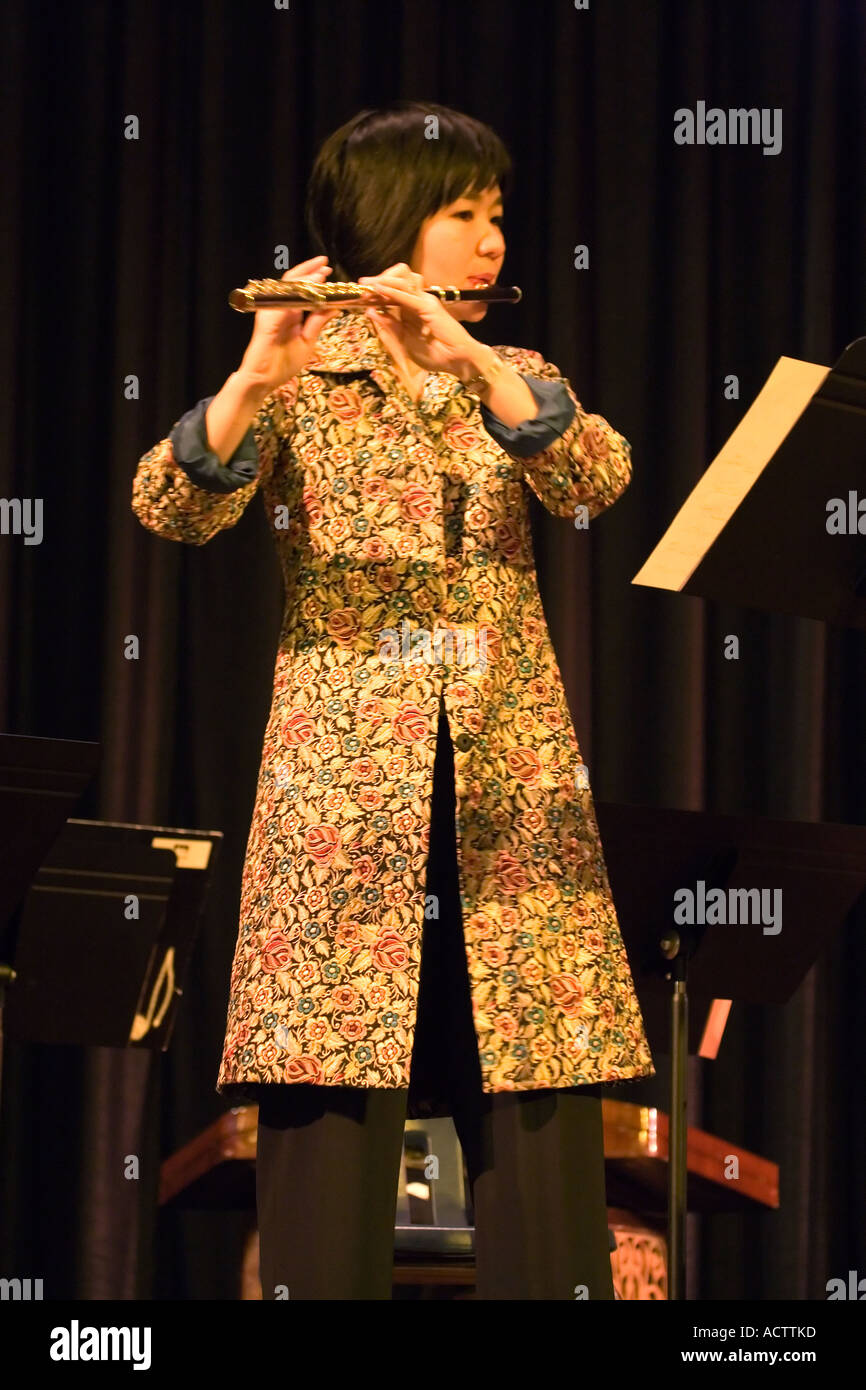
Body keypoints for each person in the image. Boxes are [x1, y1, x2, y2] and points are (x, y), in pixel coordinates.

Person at [132, 100, 654, 1300]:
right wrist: (255, 380)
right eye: (463, 216)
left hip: (504, 796)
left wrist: (472, 365)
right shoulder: (305, 368)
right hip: (343, 811)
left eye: (497, 218)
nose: (490, 244)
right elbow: (173, 505)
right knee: (325, 1178)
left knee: (537, 1157)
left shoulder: (514, 374)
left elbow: (595, 477)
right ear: (389, 224)